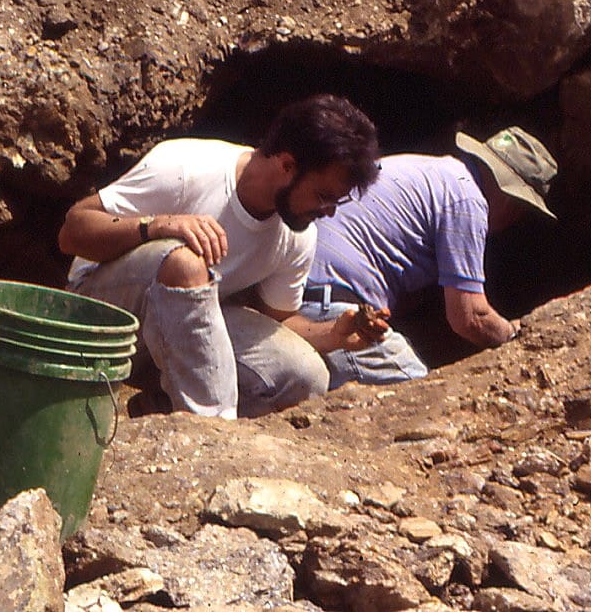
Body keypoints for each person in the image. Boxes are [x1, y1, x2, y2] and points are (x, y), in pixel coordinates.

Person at [57, 94, 389, 418]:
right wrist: (156, 226)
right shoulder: (186, 168)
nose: (328, 212)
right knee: (186, 264)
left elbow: (278, 321)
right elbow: (71, 233)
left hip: (173, 336)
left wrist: (332, 334)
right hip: (95, 319)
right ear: (287, 165)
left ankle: (164, 409)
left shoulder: (297, 233)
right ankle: (211, 427)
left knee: (304, 376)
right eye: (323, 196)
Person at [298, 126, 558, 387]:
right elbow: (469, 317)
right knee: (423, 395)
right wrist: (515, 337)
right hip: (337, 311)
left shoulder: (434, 172)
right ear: (512, 201)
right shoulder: (467, 198)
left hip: (298, 297)